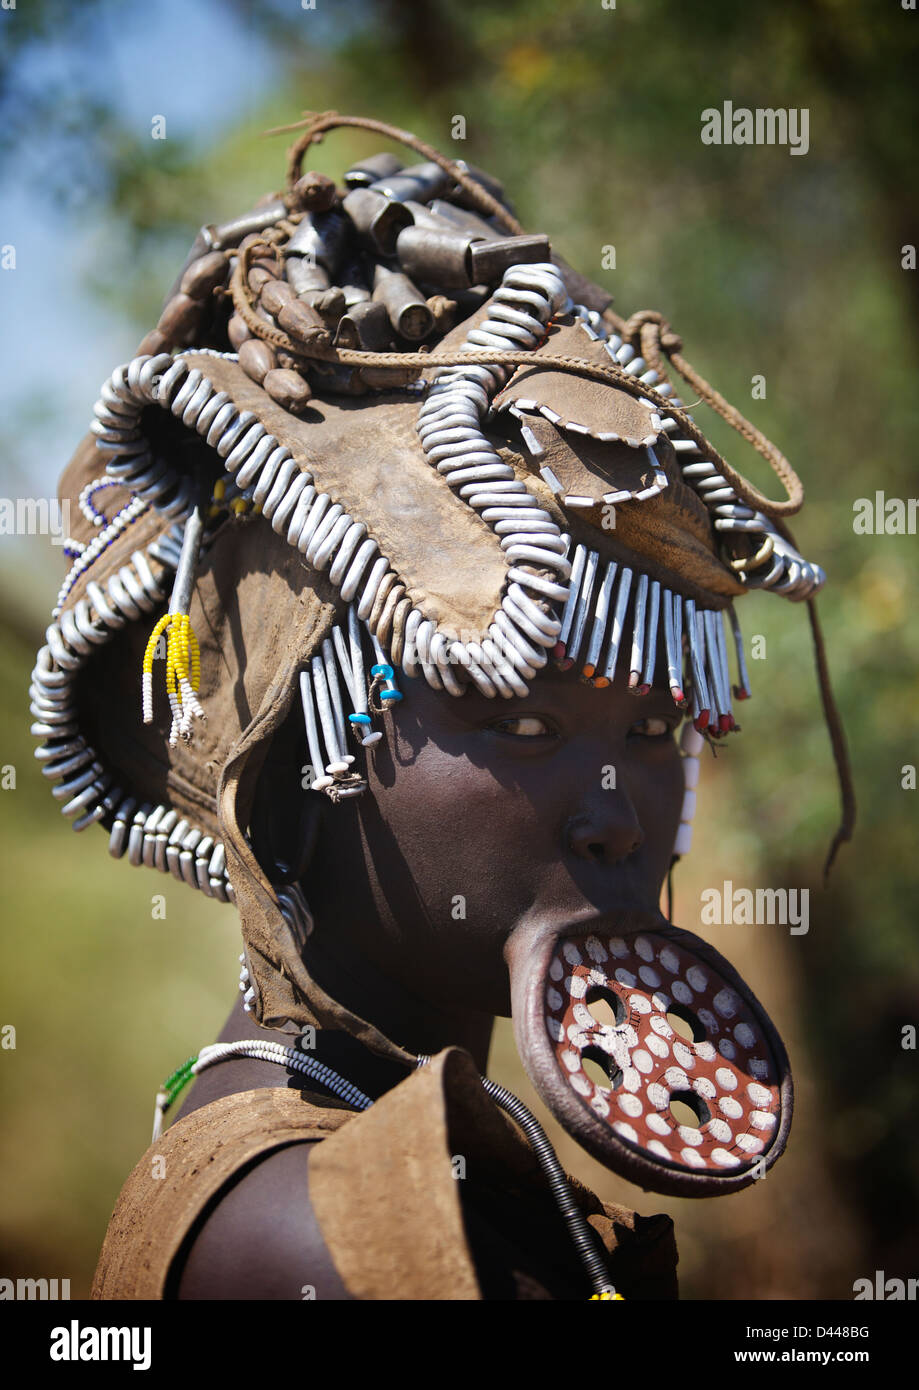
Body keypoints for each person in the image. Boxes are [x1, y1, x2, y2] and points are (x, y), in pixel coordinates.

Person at [31, 113, 853, 1300]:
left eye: (653, 728)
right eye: (521, 721)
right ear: (289, 773)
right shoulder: (325, 1241)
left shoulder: (414, 1163)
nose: (621, 820)